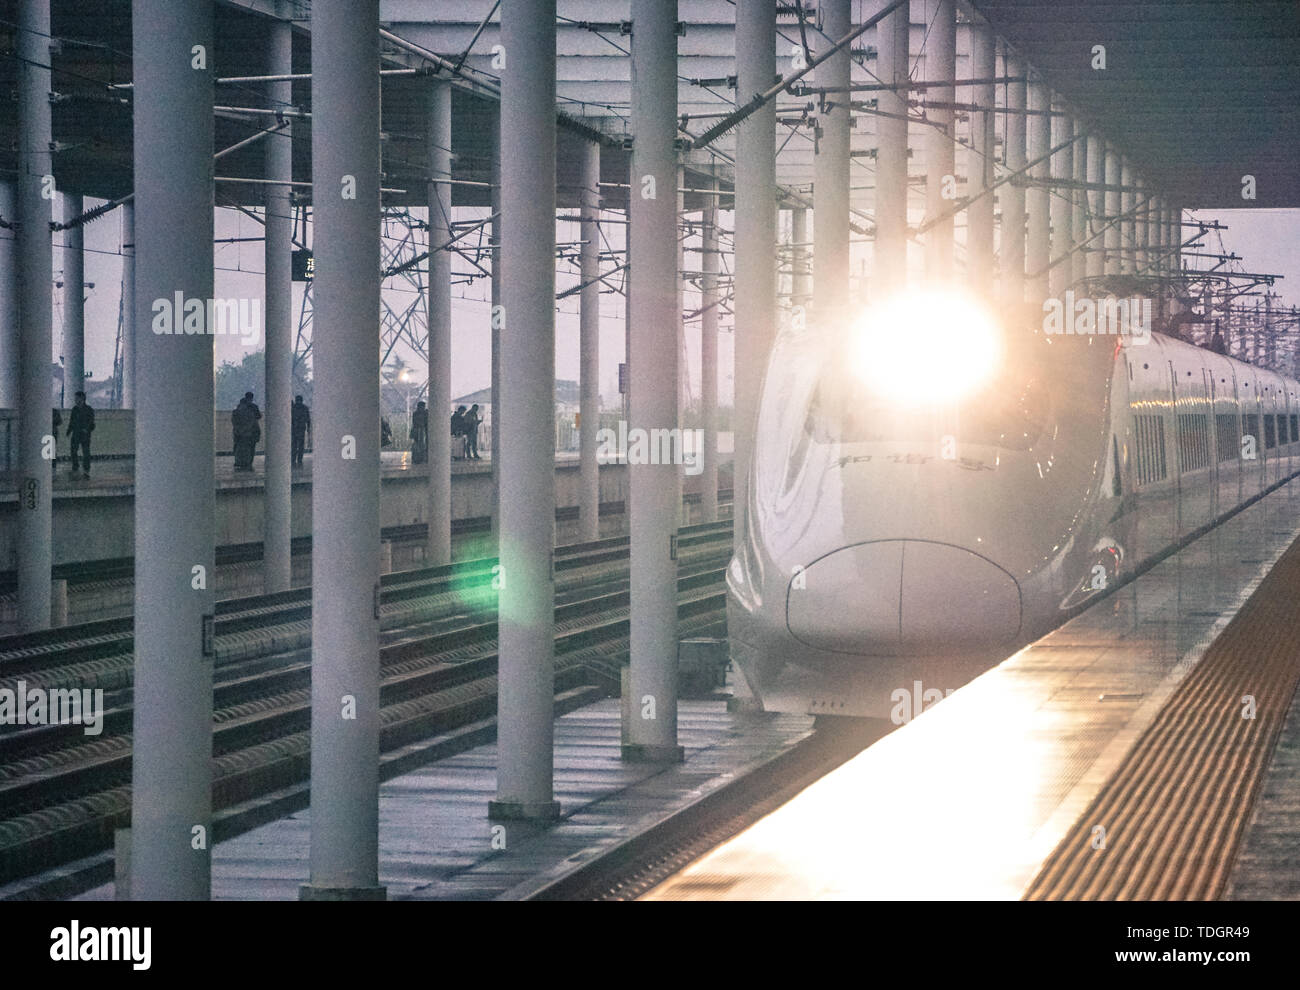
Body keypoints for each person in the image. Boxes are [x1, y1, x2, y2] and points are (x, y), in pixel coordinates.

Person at [232, 391, 262, 471]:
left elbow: (234, 420)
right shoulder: (253, 407)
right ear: (252, 398)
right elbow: (258, 417)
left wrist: (239, 429)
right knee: (250, 448)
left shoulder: (238, 408)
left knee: (238, 447)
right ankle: (248, 463)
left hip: (239, 432)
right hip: (251, 432)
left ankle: (239, 462)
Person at [67, 391, 94, 477]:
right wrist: (69, 430)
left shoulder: (88, 410)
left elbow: (91, 422)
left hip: (84, 434)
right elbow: (71, 421)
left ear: (82, 398)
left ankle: (86, 469)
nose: (75, 400)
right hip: (77, 433)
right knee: (73, 451)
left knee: (85, 452)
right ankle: (76, 467)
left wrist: (86, 429)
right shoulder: (75, 409)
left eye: (77, 398)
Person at [290, 394, 310, 467]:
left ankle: (293, 460)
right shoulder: (305, 408)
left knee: (294, 445)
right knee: (301, 445)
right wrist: (308, 428)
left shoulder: (293, 408)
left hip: (294, 429)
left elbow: (290, 419)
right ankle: (299, 460)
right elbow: (308, 419)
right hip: (301, 429)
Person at [410, 400, 429, 465]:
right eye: (422, 407)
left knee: (424, 445)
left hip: (424, 431)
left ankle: (423, 458)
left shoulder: (425, 413)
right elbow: (416, 422)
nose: (423, 408)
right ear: (419, 407)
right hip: (418, 431)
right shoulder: (416, 413)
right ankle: (417, 458)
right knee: (418, 445)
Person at [51, 407, 62, 473]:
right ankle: (53, 466)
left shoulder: (54, 411)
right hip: (53, 431)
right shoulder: (54, 411)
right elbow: (60, 421)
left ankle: (53, 466)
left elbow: (59, 421)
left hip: (53, 432)